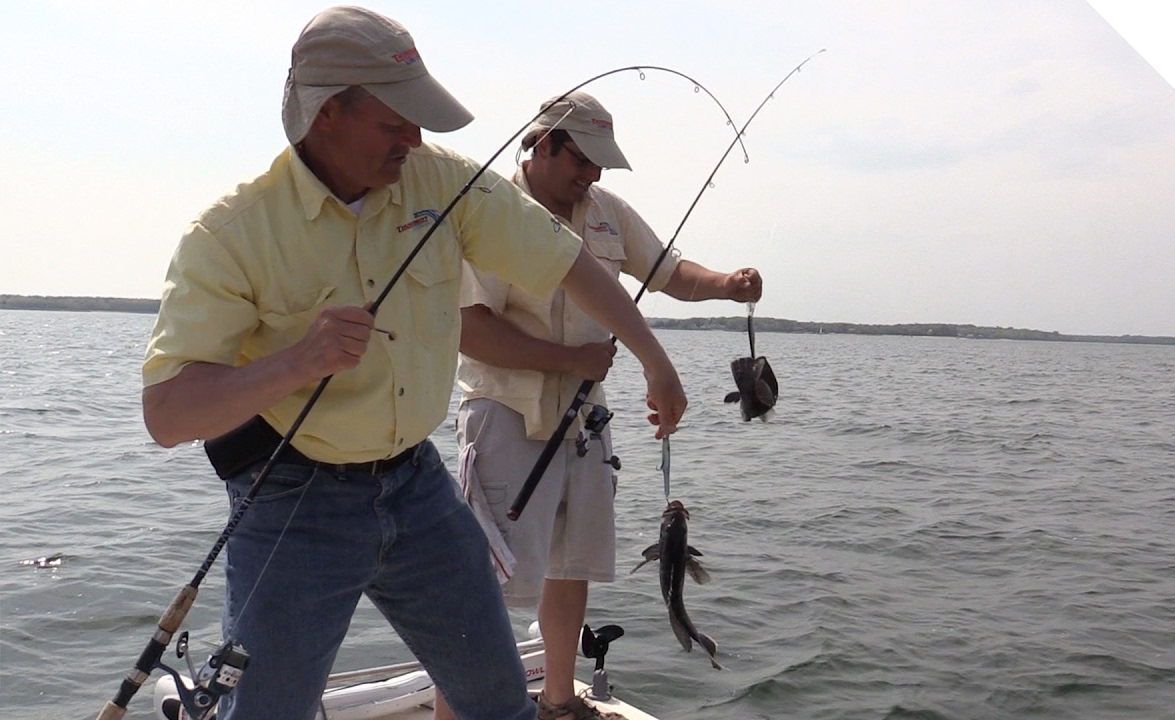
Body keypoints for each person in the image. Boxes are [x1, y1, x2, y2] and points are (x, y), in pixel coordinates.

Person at [140, 8, 686, 720]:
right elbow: (168, 414)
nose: (415, 139)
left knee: (498, 703)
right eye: (396, 121)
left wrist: (654, 358)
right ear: (328, 111)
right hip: (291, 504)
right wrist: (296, 362)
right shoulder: (230, 235)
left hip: (418, 489)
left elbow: (567, 261)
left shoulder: (441, 183)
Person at [439, 91, 762, 720]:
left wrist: (726, 284)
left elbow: (668, 271)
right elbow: (468, 328)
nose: (590, 174)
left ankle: (558, 701)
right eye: (580, 159)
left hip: (586, 421)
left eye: (600, 165)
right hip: (507, 414)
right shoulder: (491, 212)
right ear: (541, 143)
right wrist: (569, 362)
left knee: (570, 567)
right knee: (483, 585)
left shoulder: (607, 213)